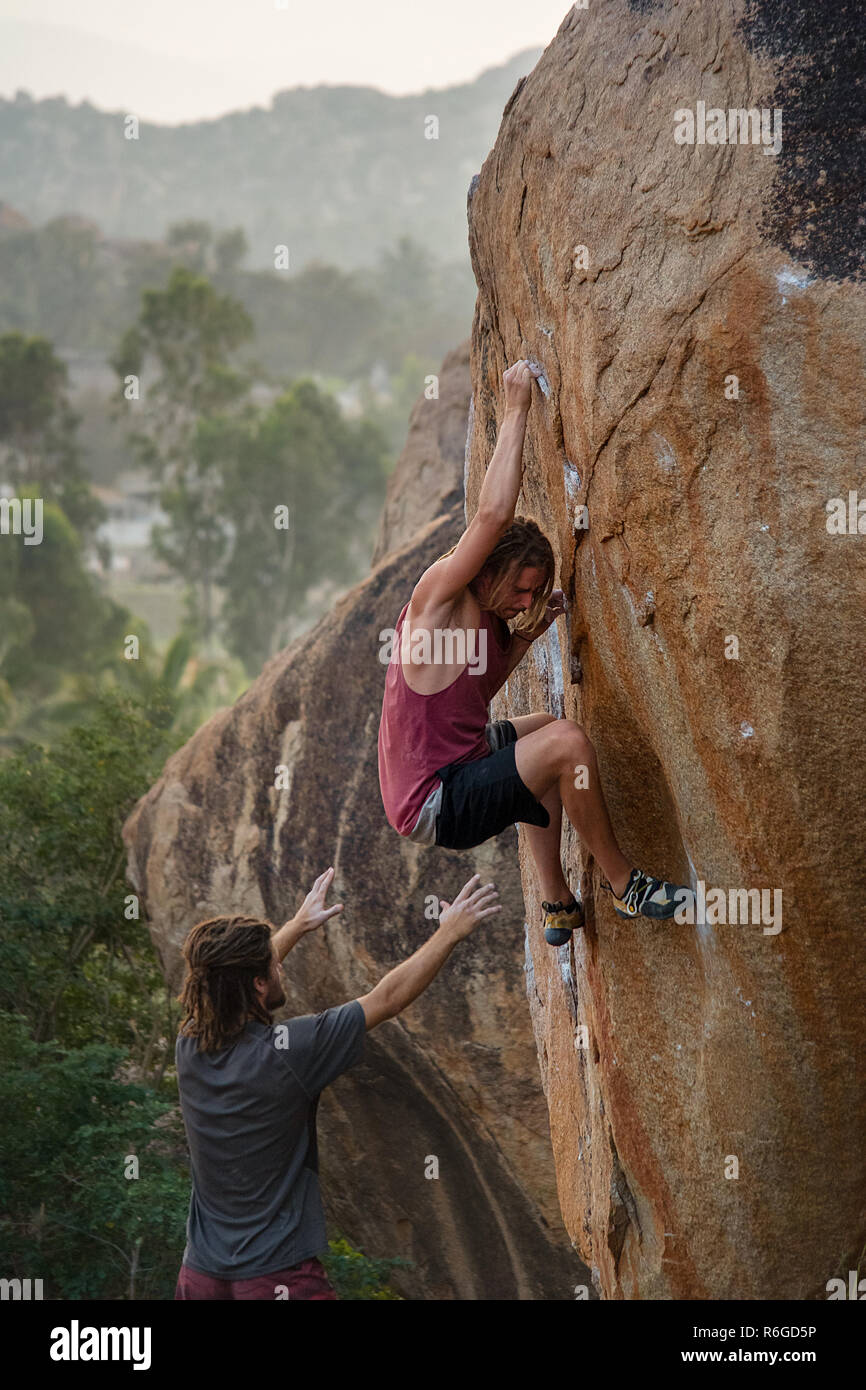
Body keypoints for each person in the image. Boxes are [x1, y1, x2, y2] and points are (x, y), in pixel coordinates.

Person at [377, 359, 692, 946]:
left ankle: (557, 901)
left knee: (545, 729)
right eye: (521, 589)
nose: (527, 601)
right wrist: (516, 406)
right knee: (566, 743)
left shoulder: (487, 622)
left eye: (534, 592)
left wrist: (527, 633)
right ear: (489, 569)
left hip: (455, 767)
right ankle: (625, 886)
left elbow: (472, 697)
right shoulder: (438, 598)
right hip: (436, 800)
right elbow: (493, 514)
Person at [173, 865, 500, 1300]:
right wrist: (449, 933)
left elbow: (229, 979)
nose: (281, 966)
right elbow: (386, 999)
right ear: (258, 983)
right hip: (275, 1277)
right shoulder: (291, 1052)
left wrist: (296, 926)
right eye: (273, 965)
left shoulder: (191, 1044)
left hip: (200, 1277)